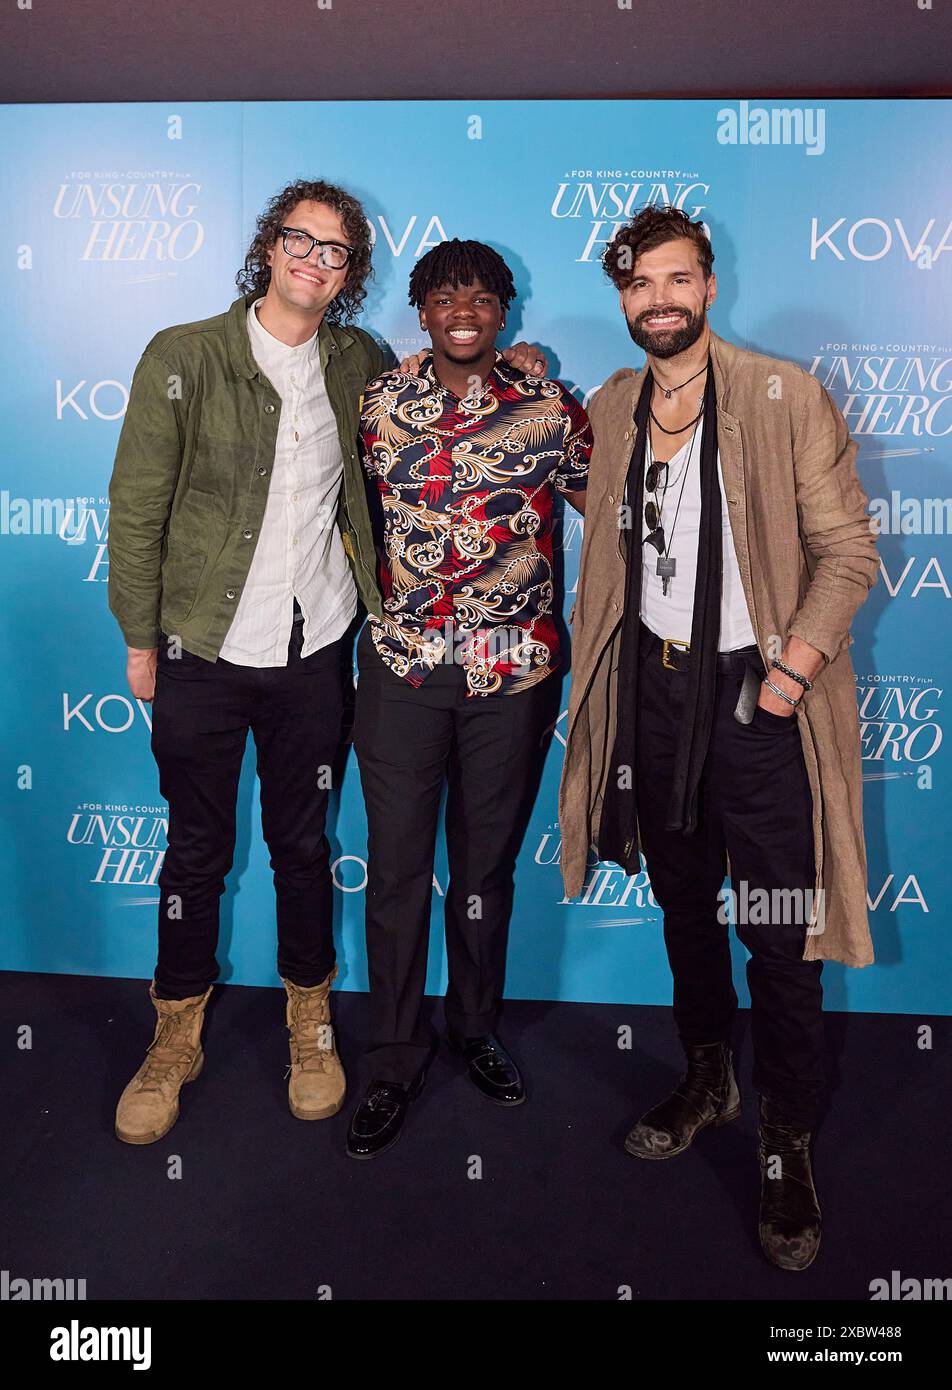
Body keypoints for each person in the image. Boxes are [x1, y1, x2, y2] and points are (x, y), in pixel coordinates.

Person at [108, 181, 548, 1146]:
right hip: (203, 648)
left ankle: (311, 1025)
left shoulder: (360, 362)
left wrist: (524, 366)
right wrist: (142, 641)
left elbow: (460, 398)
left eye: (336, 250)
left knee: (305, 849)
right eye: (299, 240)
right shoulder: (187, 355)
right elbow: (136, 508)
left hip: (320, 654)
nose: (315, 258)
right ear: (269, 247)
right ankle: (173, 1037)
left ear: (352, 275)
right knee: (195, 852)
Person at [558, 206, 878, 1269]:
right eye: (638, 282)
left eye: (676, 278)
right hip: (653, 698)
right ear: (622, 297)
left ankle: (785, 1136)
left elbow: (845, 552)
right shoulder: (612, 403)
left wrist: (787, 680)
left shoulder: (783, 396)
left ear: (707, 285)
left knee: (780, 928)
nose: (658, 297)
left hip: (757, 704)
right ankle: (708, 1072)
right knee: (682, 901)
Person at [346, 240, 591, 1159]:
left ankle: (475, 1027)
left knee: (485, 871)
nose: (464, 310)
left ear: (505, 314)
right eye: (446, 296)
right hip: (403, 673)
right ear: (421, 311)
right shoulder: (376, 405)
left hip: (512, 677)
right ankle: (394, 1055)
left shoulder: (550, 407)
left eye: (484, 298)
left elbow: (613, 497)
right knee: (399, 871)